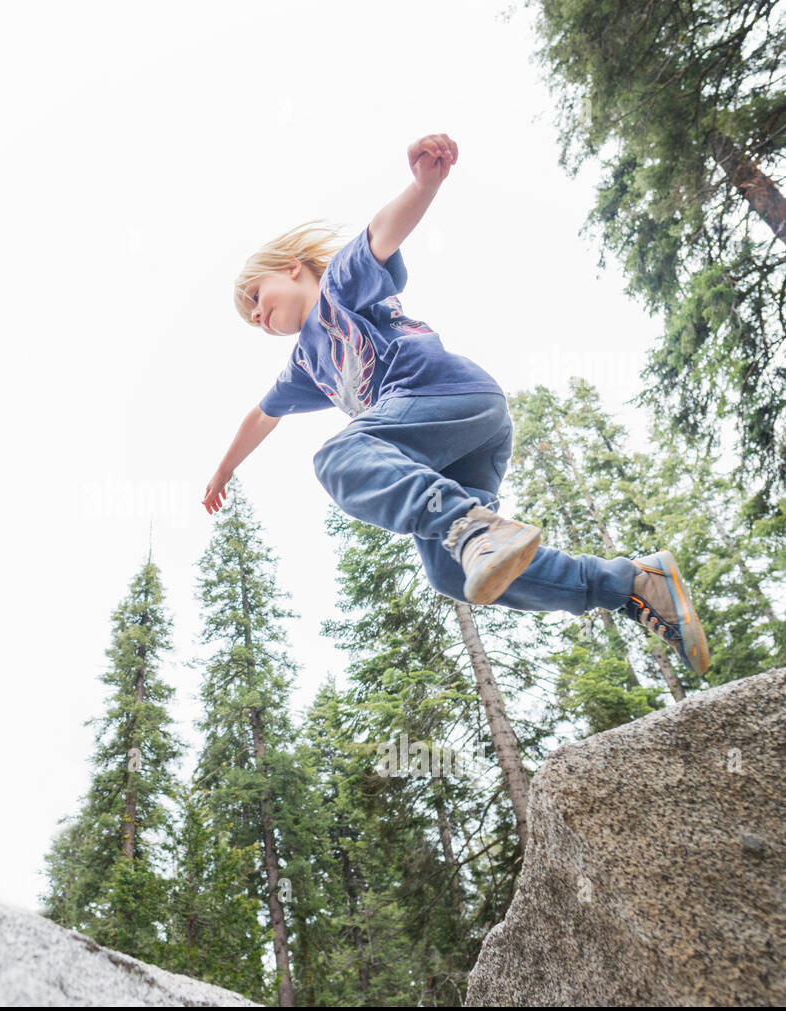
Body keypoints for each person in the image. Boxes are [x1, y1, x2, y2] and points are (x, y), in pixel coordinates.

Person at [202, 132, 709, 677]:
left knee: (339, 458)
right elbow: (262, 416)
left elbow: (380, 235)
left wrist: (424, 184)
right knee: (449, 573)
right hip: (454, 448)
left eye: (257, 297)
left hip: (445, 396)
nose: (257, 316)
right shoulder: (305, 366)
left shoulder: (339, 291)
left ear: (293, 268)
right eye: (250, 318)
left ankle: (471, 527)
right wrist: (222, 473)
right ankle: (630, 584)